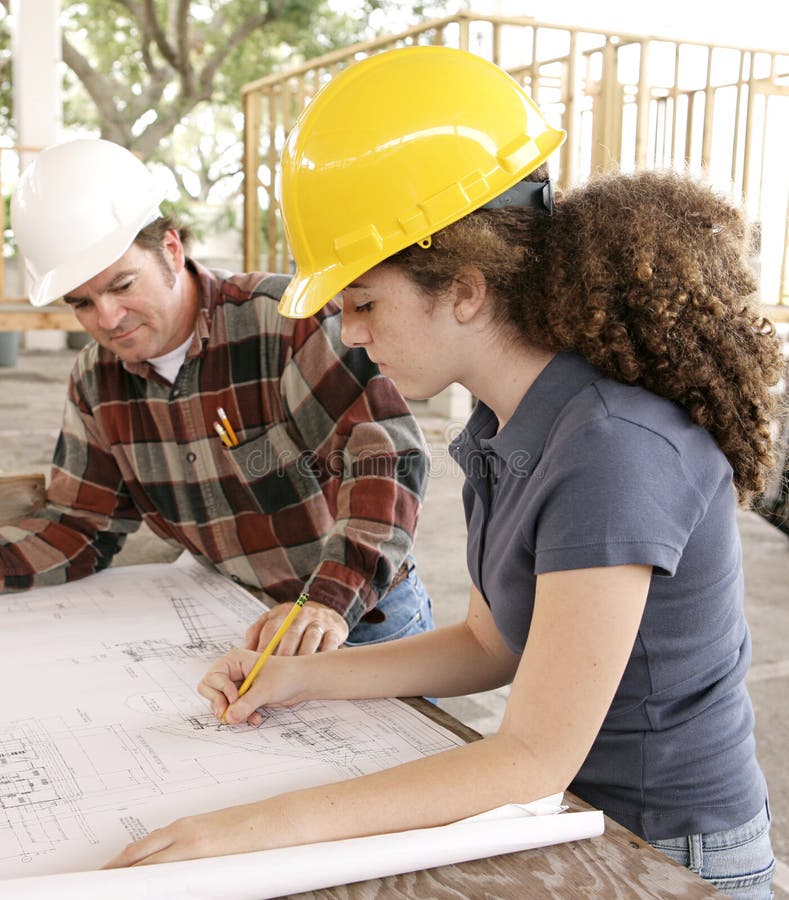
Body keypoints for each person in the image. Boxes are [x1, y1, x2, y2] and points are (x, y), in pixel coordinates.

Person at [105, 46, 782, 897]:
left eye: (363, 303)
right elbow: (489, 644)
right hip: (582, 814)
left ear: (463, 290)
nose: (348, 334)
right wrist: (303, 674)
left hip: (672, 853)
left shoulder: (611, 448)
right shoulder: (515, 420)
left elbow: (531, 756)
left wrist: (253, 829)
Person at [2, 137, 436, 655]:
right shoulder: (97, 382)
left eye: (121, 286)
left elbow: (386, 456)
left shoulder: (286, 322)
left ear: (170, 248)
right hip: (239, 617)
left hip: (360, 619)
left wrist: (325, 601)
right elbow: (81, 525)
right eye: (82, 304)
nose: (107, 319)